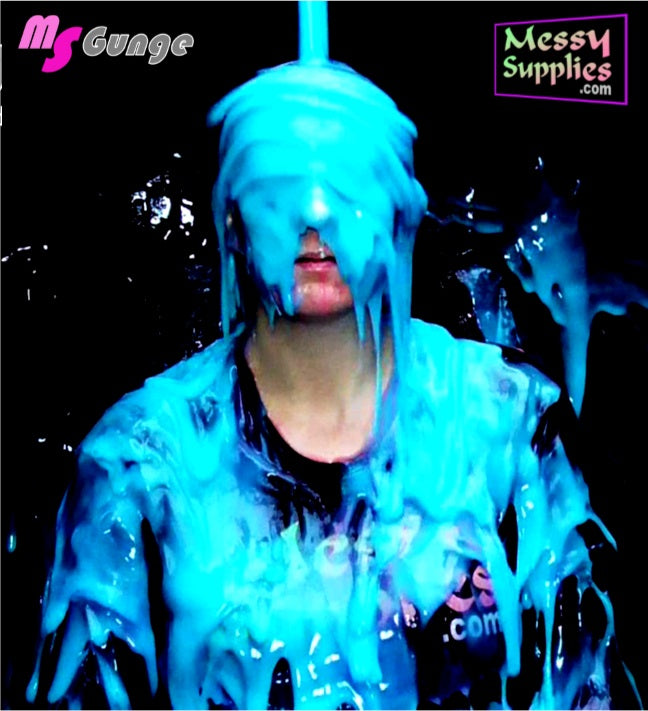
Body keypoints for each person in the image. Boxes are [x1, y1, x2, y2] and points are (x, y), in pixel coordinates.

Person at [27, 41, 632, 711]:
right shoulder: (140, 464)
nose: (314, 215)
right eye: (278, 187)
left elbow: (588, 683)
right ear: (230, 214)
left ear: (402, 207)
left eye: (347, 185)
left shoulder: (510, 421)